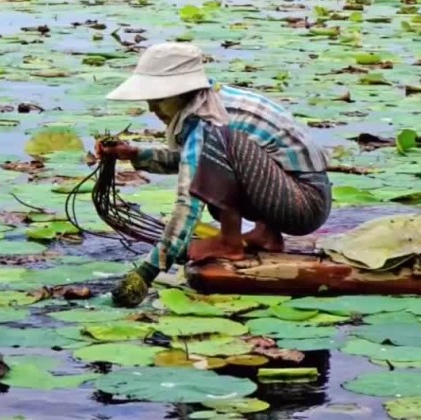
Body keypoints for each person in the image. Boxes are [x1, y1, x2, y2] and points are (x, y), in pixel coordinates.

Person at [98, 42, 332, 298]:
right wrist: (134, 154)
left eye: (160, 100)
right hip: (286, 192)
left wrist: (149, 270)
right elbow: (192, 161)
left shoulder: (208, 121)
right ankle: (267, 235)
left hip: (305, 203)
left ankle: (229, 243)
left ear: (183, 92)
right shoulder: (210, 103)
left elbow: (189, 200)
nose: (152, 109)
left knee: (219, 142)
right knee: (216, 150)